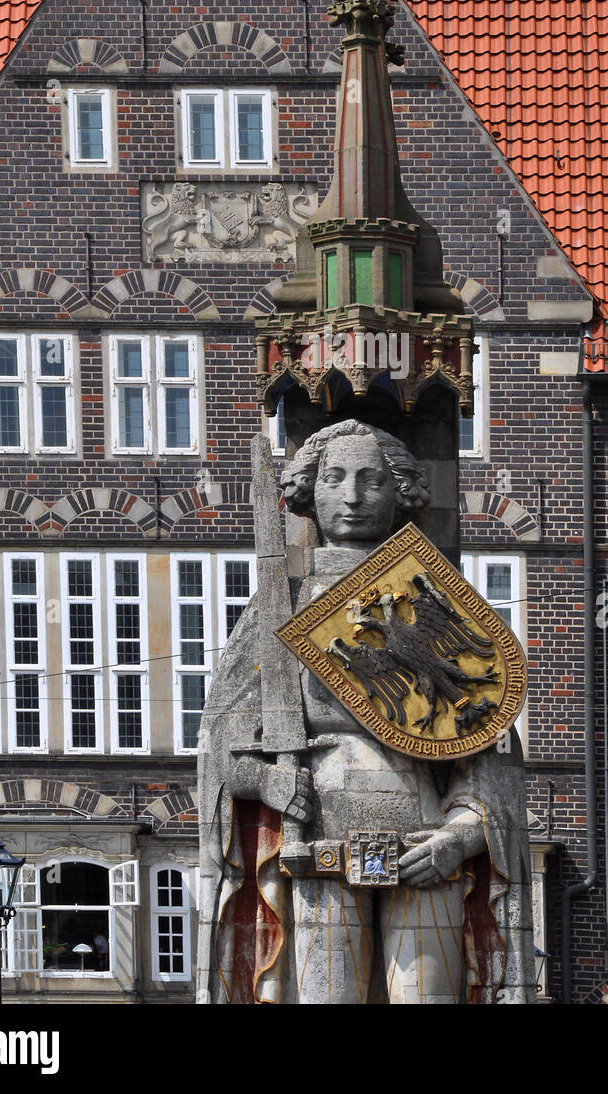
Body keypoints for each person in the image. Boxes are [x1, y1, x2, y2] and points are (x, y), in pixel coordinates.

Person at [197, 419, 535, 1004]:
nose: (351, 496)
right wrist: (268, 779)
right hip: (319, 834)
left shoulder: (429, 595)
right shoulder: (282, 605)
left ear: (398, 489)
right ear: (310, 489)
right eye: (334, 478)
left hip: (425, 840)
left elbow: (488, 736)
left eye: (370, 479)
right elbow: (223, 740)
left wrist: (462, 837)